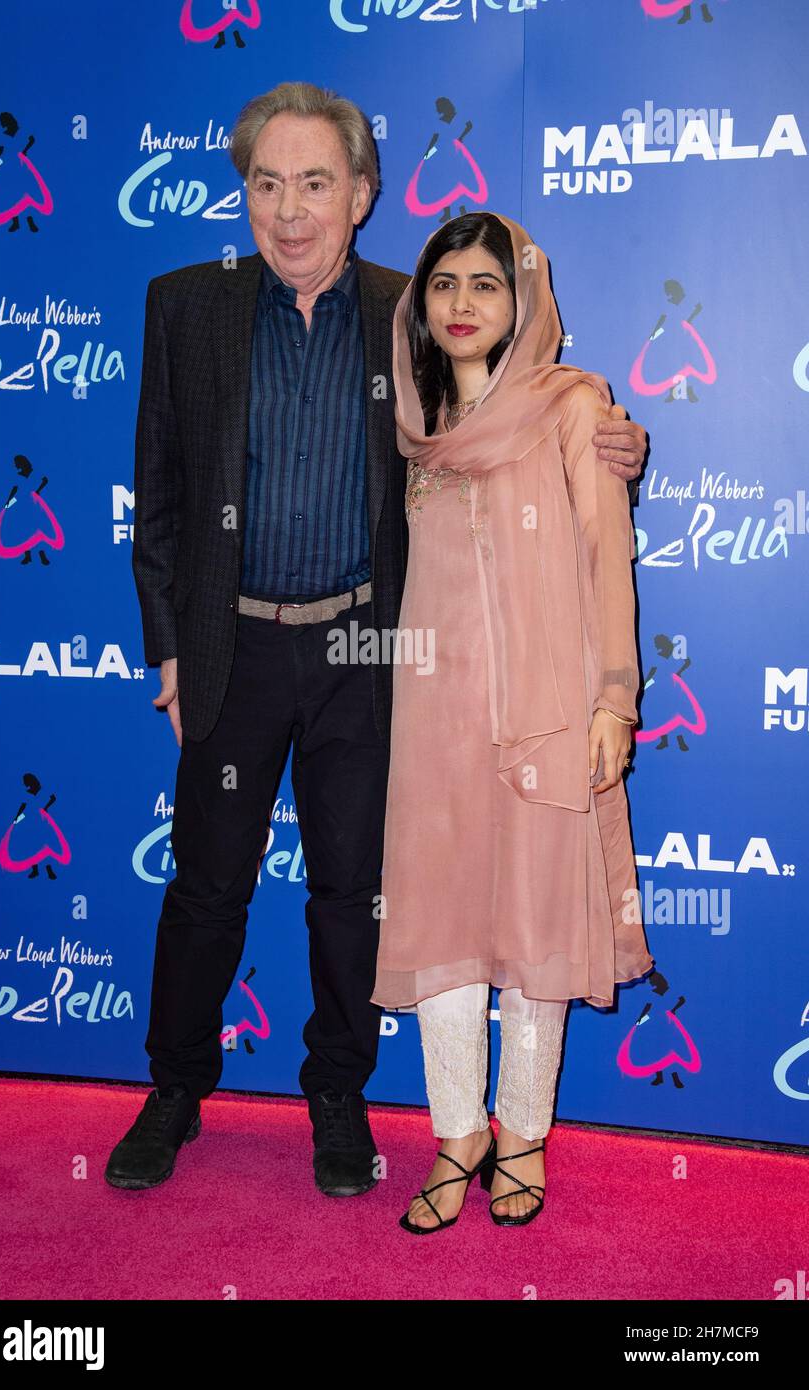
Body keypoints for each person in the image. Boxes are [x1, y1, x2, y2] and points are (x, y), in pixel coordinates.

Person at [105, 82, 647, 1200]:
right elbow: (155, 493)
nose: (290, 210)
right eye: (267, 184)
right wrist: (167, 643)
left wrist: (605, 439)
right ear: (243, 195)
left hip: (365, 651)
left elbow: (519, 404)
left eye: (315, 183)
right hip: (232, 648)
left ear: (361, 194)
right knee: (207, 886)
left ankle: (339, 1099)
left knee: (352, 892)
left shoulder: (413, 308)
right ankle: (172, 1089)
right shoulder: (184, 309)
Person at [371, 210, 654, 1232]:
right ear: (420, 302)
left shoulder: (573, 409)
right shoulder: (414, 430)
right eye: (443, 283)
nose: (461, 304)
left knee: (536, 933)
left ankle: (522, 1133)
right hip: (433, 721)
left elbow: (603, 564)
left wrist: (611, 699)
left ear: (520, 300)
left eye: (484, 285)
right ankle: (458, 1135)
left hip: (547, 711)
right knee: (441, 931)